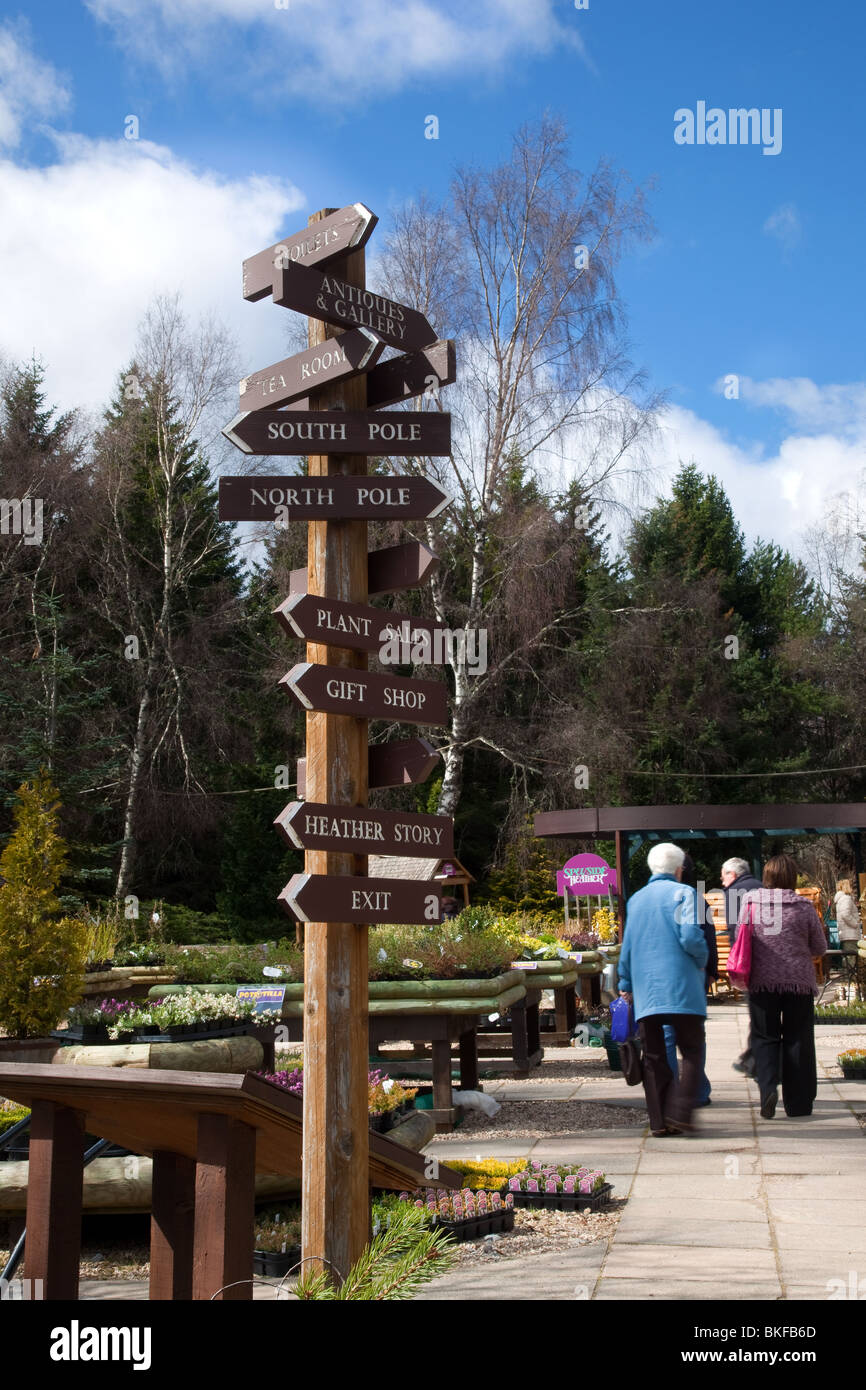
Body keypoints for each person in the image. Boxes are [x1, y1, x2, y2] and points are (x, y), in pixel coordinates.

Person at [618, 842, 708, 1136]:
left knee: (654, 1057)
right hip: (682, 988)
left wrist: (625, 984)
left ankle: (659, 1122)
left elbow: (628, 947)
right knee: (692, 1050)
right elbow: (691, 937)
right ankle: (682, 1112)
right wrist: (702, 959)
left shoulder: (636, 900)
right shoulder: (684, 893)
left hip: (648, 992)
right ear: (679, 869)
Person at [740, 853, 827, 1119]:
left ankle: (768, 1088)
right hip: (798, 983)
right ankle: (798, 1103)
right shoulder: (804, 907)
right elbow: (820, 947)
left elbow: (742, 938)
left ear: (766, 877)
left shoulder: (751, 903)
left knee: (765, 1037)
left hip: (762, 983)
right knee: (798, 1039)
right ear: (791, 877)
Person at [663, 852, 717, 1106]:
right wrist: (709, 971)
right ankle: (697, 1091)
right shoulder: (697, 901)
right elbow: (707, 939)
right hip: (693, 978)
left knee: (667, 1035)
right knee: (693, 1036)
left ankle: (673, 1090)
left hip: (662, 979)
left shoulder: (652, 899)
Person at [721, 857, 762, 1078]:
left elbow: (734, 929)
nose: (721, 879)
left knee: (757, 1012)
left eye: (723, 874)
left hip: (749, 961)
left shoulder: (734, 892)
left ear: (733, 875)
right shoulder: (762, 887)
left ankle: (753, 1060)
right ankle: (753, 1058)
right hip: (770, 960)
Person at [835, 879, 862, 950]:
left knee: (848, 957)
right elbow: (845, 914)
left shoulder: (841, 899)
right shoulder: (846, 899)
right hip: (850, 934)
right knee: (851, 957)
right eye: (851, 886)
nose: (852, 889)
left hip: (847, 934)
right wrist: (855, 923)